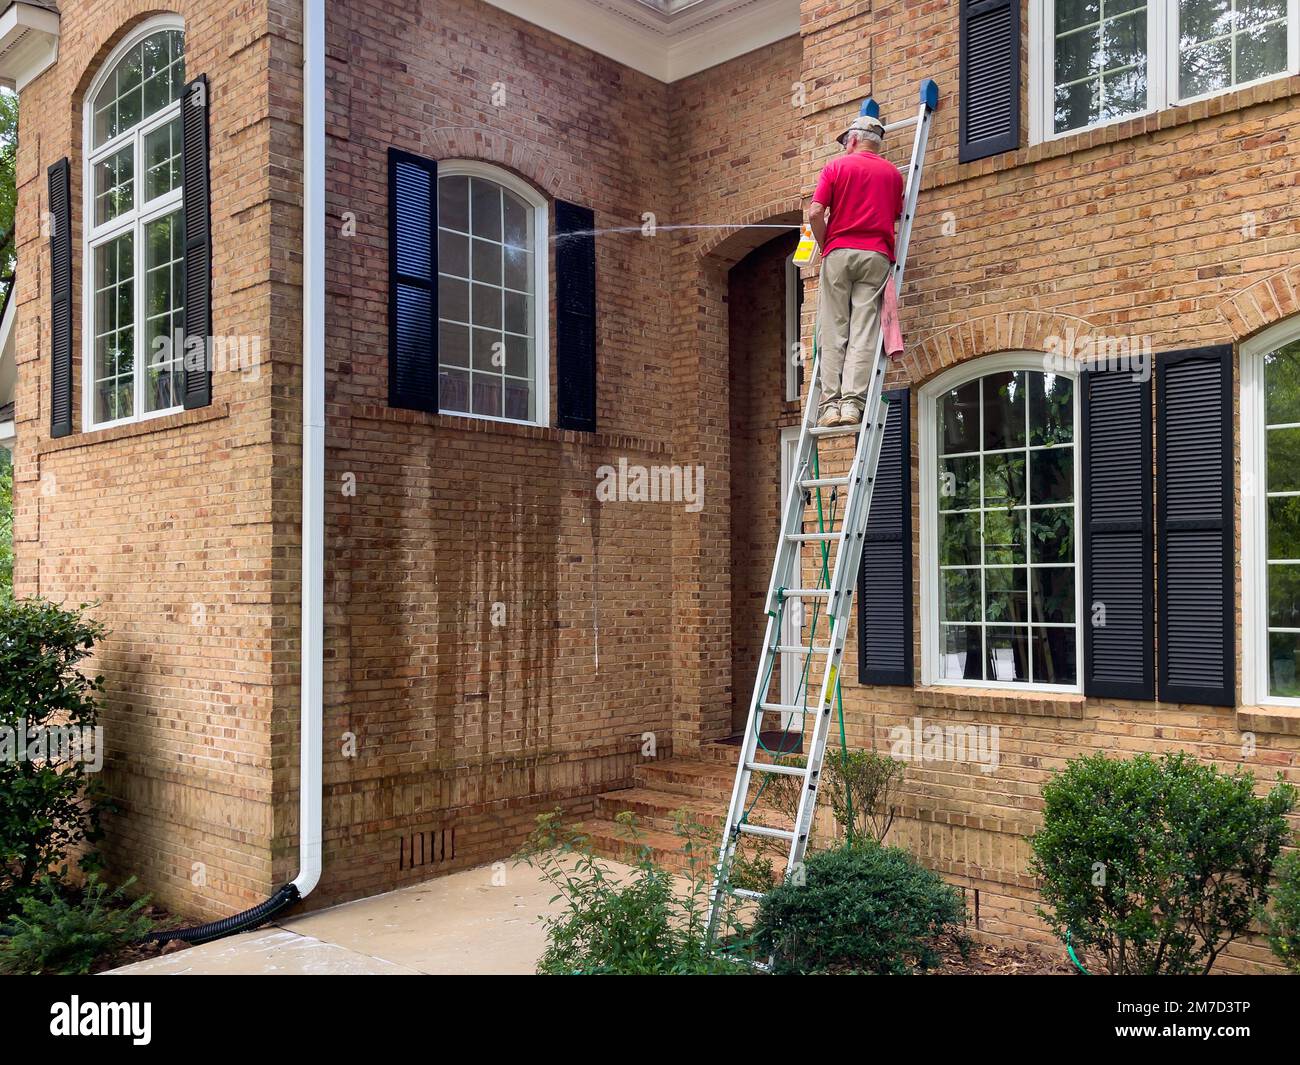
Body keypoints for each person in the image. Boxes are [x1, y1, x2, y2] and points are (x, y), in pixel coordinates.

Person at [808, 113, 904, 427]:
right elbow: (897, 215)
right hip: (875, 256)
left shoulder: (836, 166)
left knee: (835, 329)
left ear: (852, 139)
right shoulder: (893, 174)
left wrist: (825, 244)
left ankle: (830, 406)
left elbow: (815, 212)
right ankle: (852, 405)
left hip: (839, 254)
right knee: (864, 331)